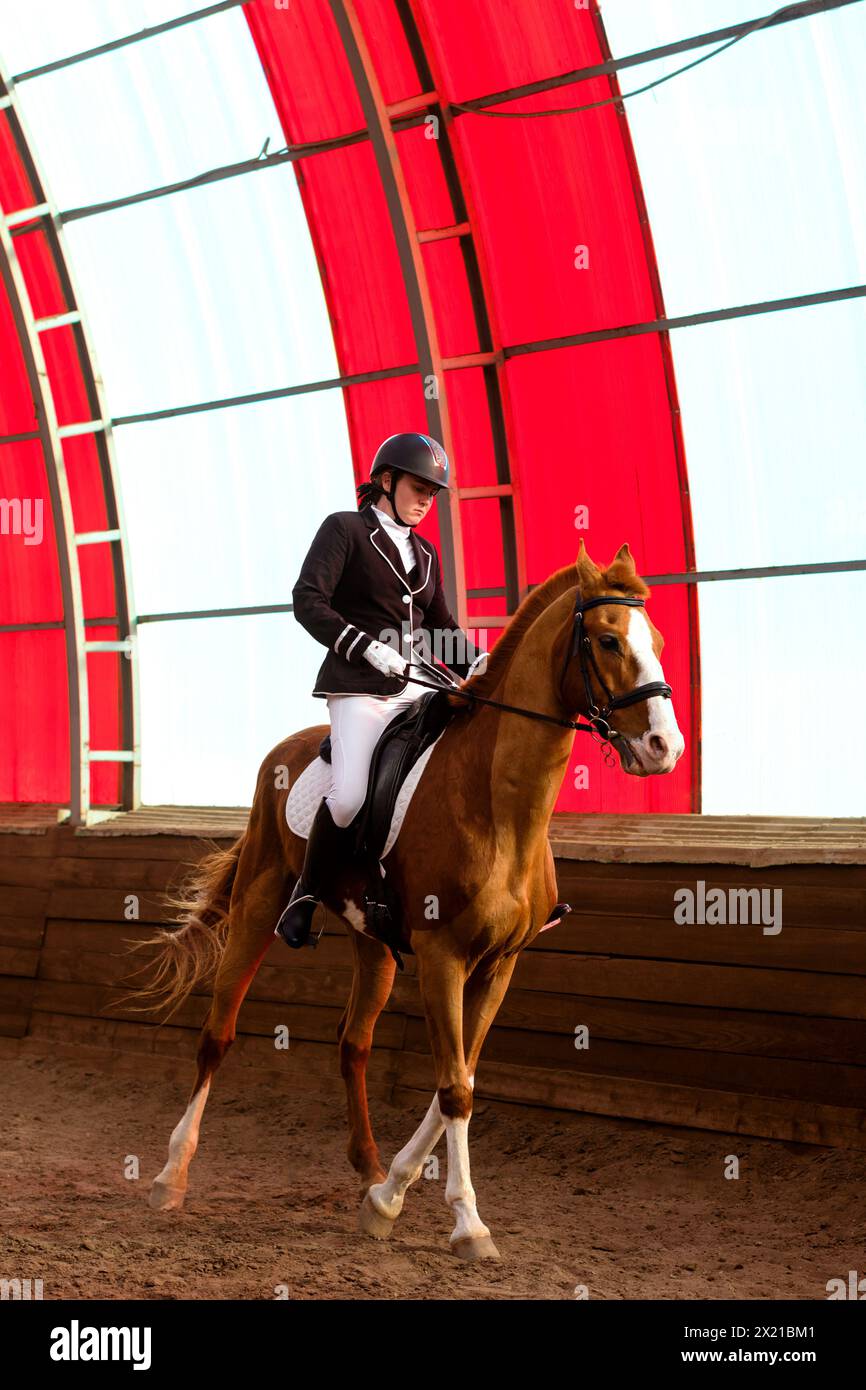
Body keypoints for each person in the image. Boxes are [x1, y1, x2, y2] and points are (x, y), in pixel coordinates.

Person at [275, 432, 488, 948]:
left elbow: (439, 628)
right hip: (360, 688)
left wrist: (484, 666)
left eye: (433, 493)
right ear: (386, 481)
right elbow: (308, 600)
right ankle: (306, 893)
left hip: (418, 686)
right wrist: (366, 647)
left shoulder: (427, 554)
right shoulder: (345, 530)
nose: (426, 500)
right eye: (419, 488)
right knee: (349, 796)